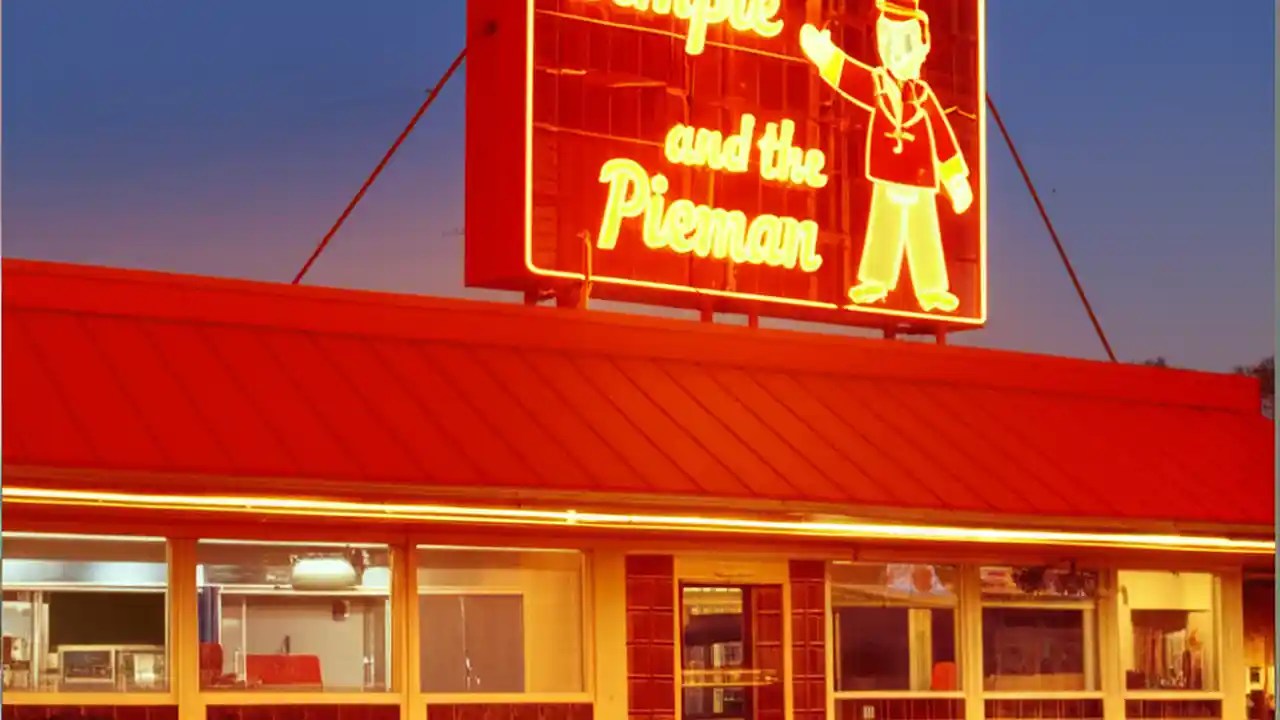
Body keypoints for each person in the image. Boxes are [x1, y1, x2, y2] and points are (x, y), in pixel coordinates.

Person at [797, 0, 973, 313]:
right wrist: (824, 54)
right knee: (884, 225)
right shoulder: (877, 84)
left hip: (920, 178)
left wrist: (956, 179)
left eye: (903, 42)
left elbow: (944, 141)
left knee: (924, 231)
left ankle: (932, 290)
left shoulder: (923, 96)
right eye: (887, 40)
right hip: (887, 172)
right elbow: (847, 75)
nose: (894, 50)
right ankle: (876, 280)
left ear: (922, 45)